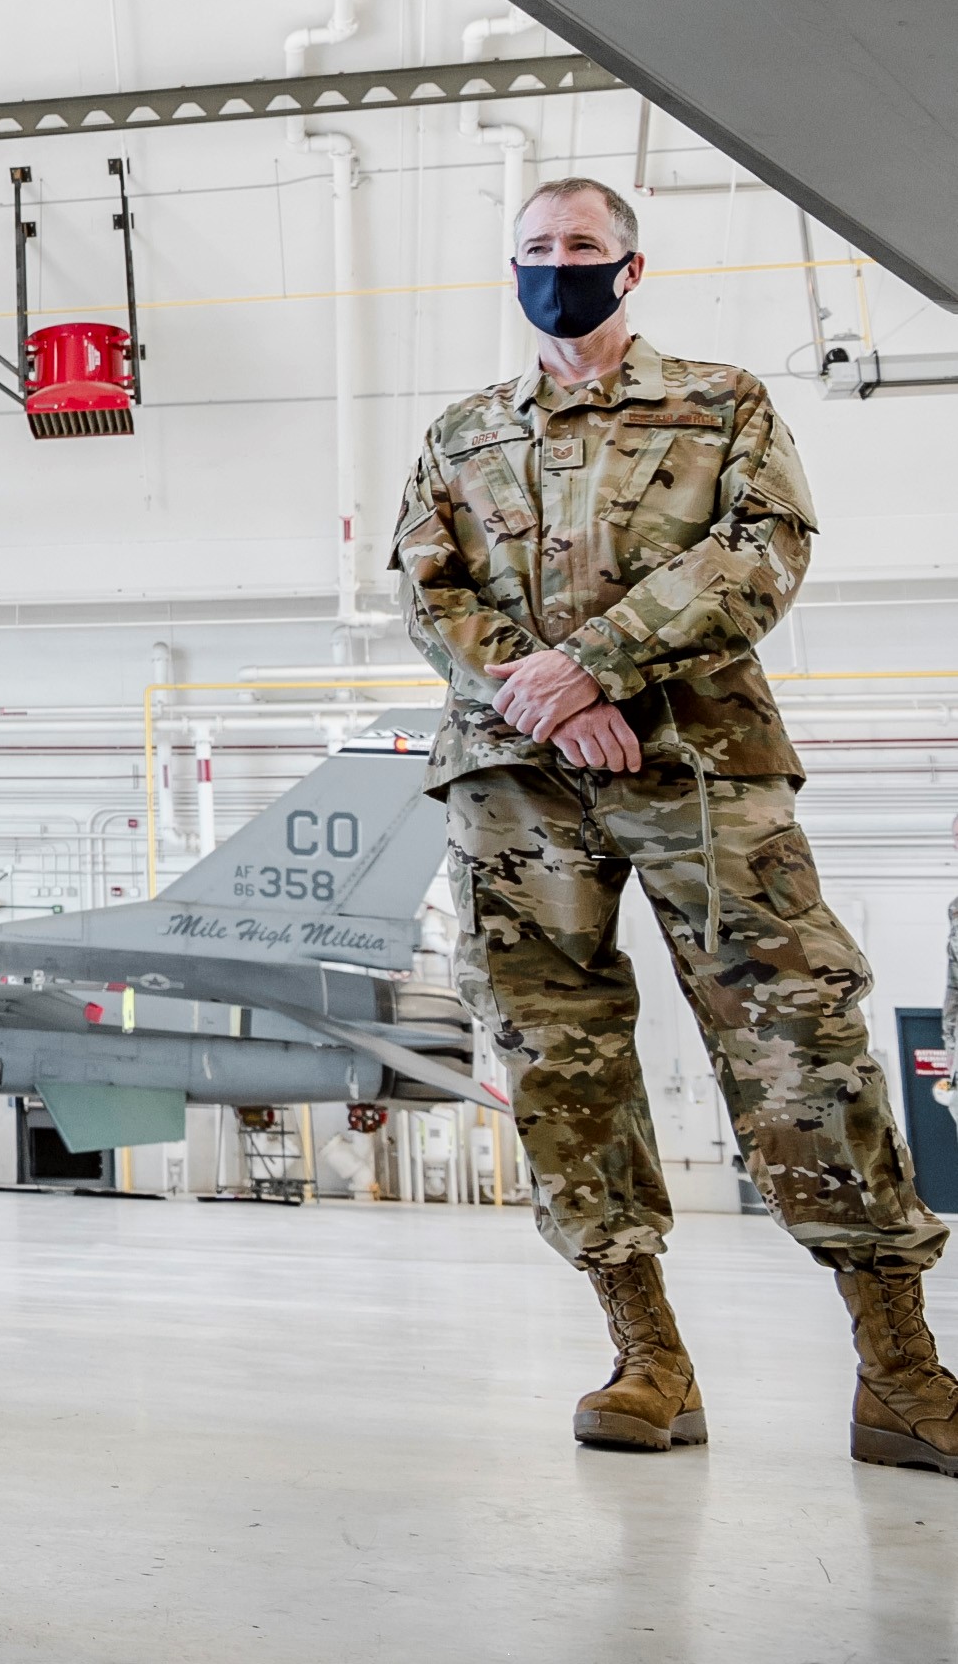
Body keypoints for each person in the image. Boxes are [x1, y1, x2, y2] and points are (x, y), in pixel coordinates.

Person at [394, 175, 958, 1474]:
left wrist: (594, 664)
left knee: (797, 1046)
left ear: (628, 268)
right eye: (532, 248)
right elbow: (432, 595)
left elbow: (759, 553)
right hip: (516, 782)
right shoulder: (461, 434)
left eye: (579, 246)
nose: (555, 266)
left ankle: (900, 1376)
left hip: (700, 768)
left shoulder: (719, 404)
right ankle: (643, 1359)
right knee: (558, 1063)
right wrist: (538, 698)